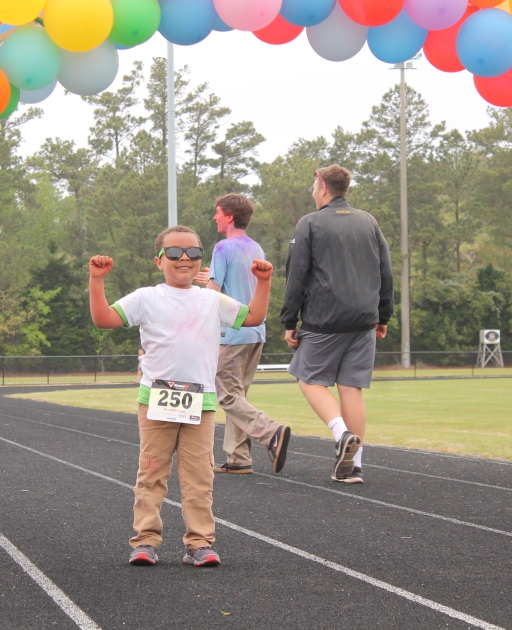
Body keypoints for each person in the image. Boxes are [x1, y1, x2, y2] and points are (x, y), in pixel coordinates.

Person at [89, 226, 273, 568]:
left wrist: (263, 283)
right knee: (151, 472)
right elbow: (103, 319)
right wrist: (96, 280)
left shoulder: (211, 300)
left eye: (193, 252)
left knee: (199, 477)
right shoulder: (146, 298)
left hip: (199, 404)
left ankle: (200, 543)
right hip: (156, 400)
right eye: (174, 253)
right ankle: (145, 540)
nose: (184, 258)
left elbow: (255, 317)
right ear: (159, 261)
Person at [280, 165, 393, 484]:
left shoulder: (310, 223)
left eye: (313, 186)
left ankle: (341, 434)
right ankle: (354, 465)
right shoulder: (369, 221)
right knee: (351, 388)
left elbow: (297, 274)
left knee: (309, 378)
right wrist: (383, 315)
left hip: (323, 320)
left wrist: (290, 319)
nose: (313, 192)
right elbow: (386, 270)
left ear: (323, 187)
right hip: (363, 320)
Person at [193, 193, 290, 475]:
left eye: (218, 212)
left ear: (229, 216)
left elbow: (213, 295)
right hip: (255, 332)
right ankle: (238, 458)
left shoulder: (223, 247)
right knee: (239, 396)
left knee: (226, 396)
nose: (215, 217)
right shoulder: (256, 248)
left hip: (231, 334)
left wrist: (203, 286)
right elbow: (237, 284)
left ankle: (271, 433)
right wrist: (211, 278)